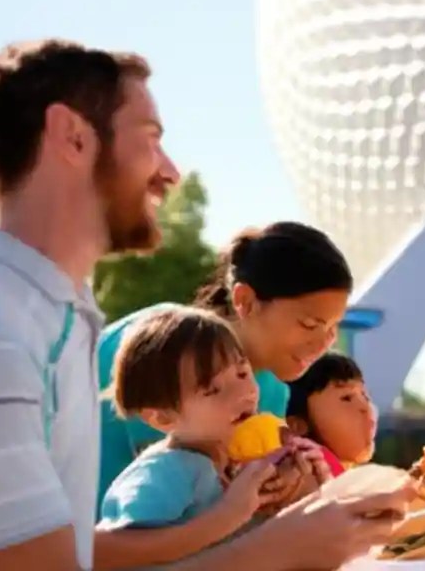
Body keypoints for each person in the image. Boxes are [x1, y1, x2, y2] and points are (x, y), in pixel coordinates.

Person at [0, 39, 411, 571]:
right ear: (72, 138)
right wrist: (273, 548)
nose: (170, 172)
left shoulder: (60, 318)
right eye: (150, 140)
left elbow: (79, 556)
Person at [97, 220, 353, 505]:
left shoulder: (271, 392)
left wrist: (286, 481)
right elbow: (169, 497)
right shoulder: (162, 349)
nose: (324, 344)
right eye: (309, 324)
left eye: (333, 327)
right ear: (245, 300)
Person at [98, 307, 316, 568]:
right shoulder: (166, 471)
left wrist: (294, 490)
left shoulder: (238, 463)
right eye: (212, 389)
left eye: (242, 373)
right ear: (162, 418)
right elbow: (107, 551)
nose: (242, 393)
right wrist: (226, 517)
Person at [286, 352, 379, 476]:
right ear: (298, 425)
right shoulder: (309, 473)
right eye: (346, 398)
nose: (365, 406)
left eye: (365, 396)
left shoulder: (347, 475)